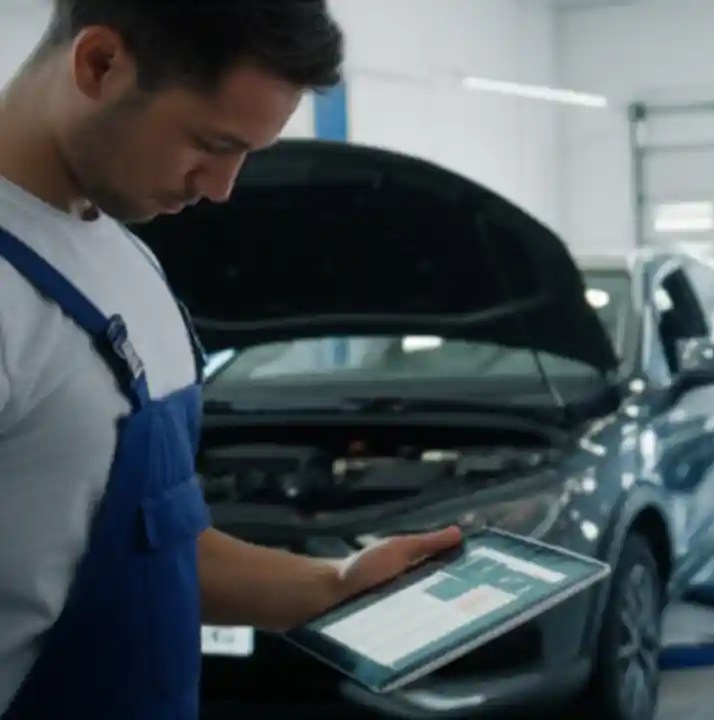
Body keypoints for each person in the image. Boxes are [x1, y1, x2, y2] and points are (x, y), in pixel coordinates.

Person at [0, 2, 462, 718]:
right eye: (210, 143)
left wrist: (333, 585)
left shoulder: (126, 258)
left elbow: (145, 545)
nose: (221, 188)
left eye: (248, 153)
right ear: (99, 64)